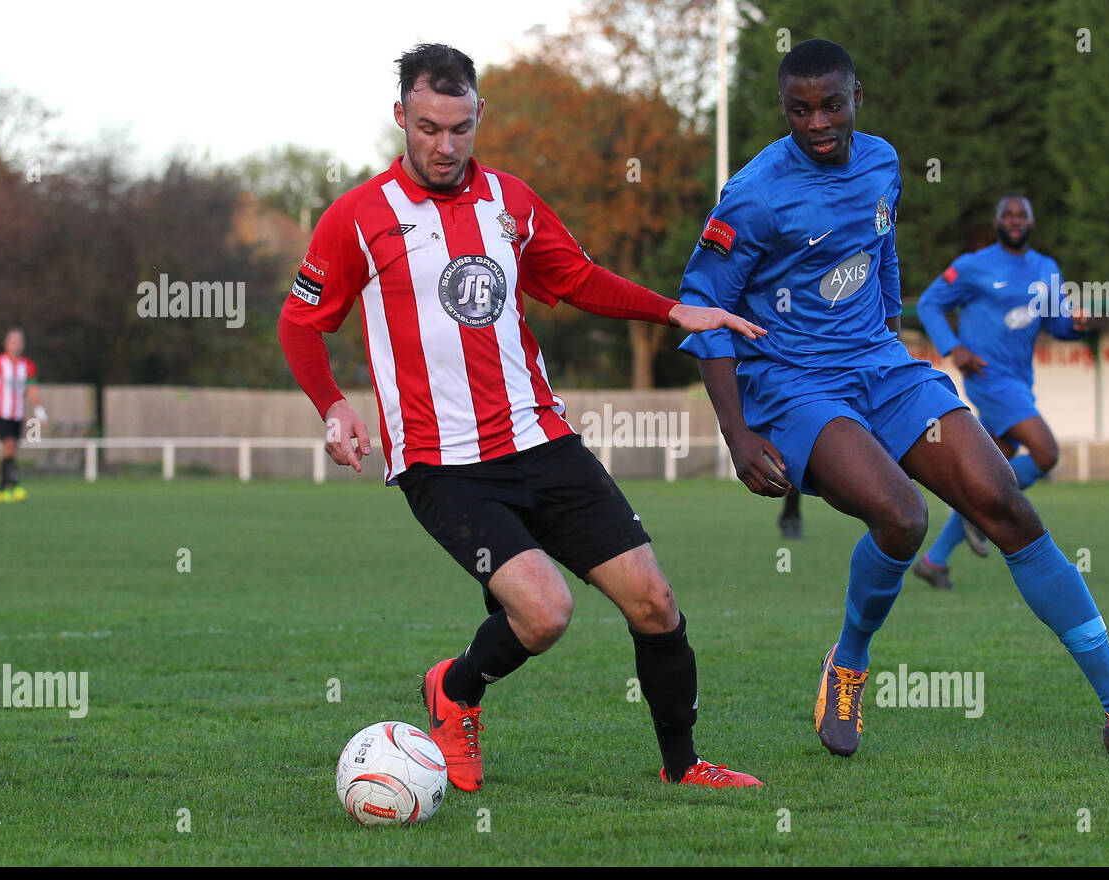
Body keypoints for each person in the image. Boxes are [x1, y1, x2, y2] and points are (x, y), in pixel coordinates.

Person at [678, 38, 1109, 760]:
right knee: (902, 518)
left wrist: (894, 329)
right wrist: (737, 432)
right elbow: (699, 305)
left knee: (1007, 506)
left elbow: (882, 246)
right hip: (795, 382)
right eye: (798, 110)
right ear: (783, 110)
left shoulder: (883, 161)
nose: (816, 123)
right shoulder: (752, 195)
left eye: (830, 105)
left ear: (856, 98)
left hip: (883, 364)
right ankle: (849, 660)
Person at [279, 43, 765, 793]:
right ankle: (457, 689)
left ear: (480, 117)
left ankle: (684, 766)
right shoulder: (357, 218)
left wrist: (673, 310)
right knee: (545, 613)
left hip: (544, 441)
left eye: (461, 128)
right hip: (442, 464)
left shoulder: (510, 200)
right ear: (401, 116)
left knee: (655, 601)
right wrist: (334, 406)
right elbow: (301, 323)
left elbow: (573, 277)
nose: (445, 146)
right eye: (430, 127)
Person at [911, 194, 1085, 589]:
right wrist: (954, 348)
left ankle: (934, 560)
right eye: (1007, 214)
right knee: (1045, 452)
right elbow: (930, 304)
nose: (1015, 220)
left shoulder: (1046, 268)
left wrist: (1076, 325)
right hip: (989, 377)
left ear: (1032, 222)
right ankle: (978, 511)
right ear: (997, 222)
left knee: (995, 470)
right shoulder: (974, 266)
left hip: (1020, 382)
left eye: (1022, 214)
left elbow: (1058, 325)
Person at [0, 328, 46, 503]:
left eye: (19, 341)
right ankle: (15, 485)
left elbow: (32, 389)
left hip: (18, 413)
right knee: (9, 445)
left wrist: (39, 410)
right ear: (6, 343)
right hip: (0, 412)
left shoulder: (27, 366)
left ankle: (1, 490)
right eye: (13, 341)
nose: (16, 345)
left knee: (11, 451)